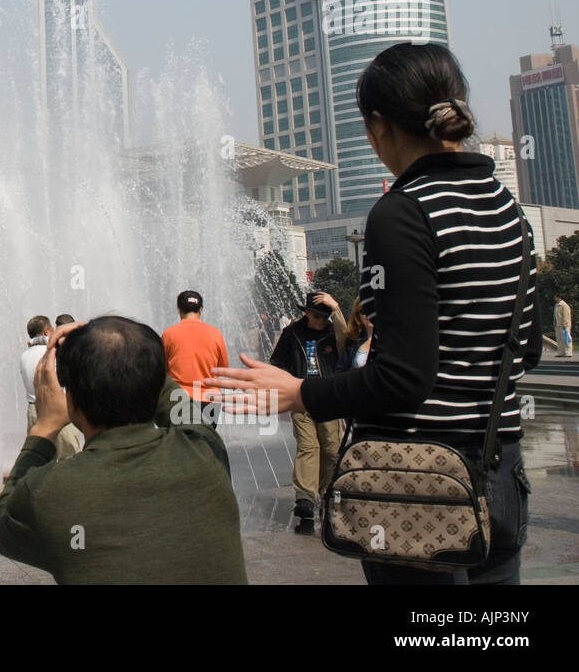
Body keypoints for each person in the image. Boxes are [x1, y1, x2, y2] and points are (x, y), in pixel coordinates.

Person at [212, 42, 542, 585]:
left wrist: (299, 393)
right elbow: (525, 349)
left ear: (378, 127)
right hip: (498, 471)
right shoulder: (509, 210)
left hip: (415, 482)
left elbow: (402, 378)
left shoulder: (403, 213)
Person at [0, 316, 248, 584]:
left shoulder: (50, 492)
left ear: (72, 403)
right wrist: (120, 347)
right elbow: (181, 408)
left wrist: (44, 427)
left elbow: (2, 524)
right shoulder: (207, 454)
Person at [268, 292, 345, 524]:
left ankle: (326, 492)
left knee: (331, 449)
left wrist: (337, 308)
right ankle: (305, 499)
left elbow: (348, 339)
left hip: (329, 396)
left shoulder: (333, 332)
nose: (322, 321)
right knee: (308, 446)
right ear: (307, 313)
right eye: (317, 316)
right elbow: (278, 363)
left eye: (326, 317)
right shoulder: (293, 333)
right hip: (301, 395)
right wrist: (285, 388)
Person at [161, 290, 229, 425]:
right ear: (201, 310)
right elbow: (223, 368)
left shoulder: (169, 334)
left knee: (181, 443)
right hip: (209, 399)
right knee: (205, 442)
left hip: (179, 397)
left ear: (179, 310)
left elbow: (161, 368)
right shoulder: (215, 334)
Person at [19, 315, 80, 459]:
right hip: (55, 408)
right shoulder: (51, 352)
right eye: (52, 330)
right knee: (69, 455)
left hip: (34, 410)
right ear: (47, 332)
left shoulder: (25, 355)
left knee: (41, 457)